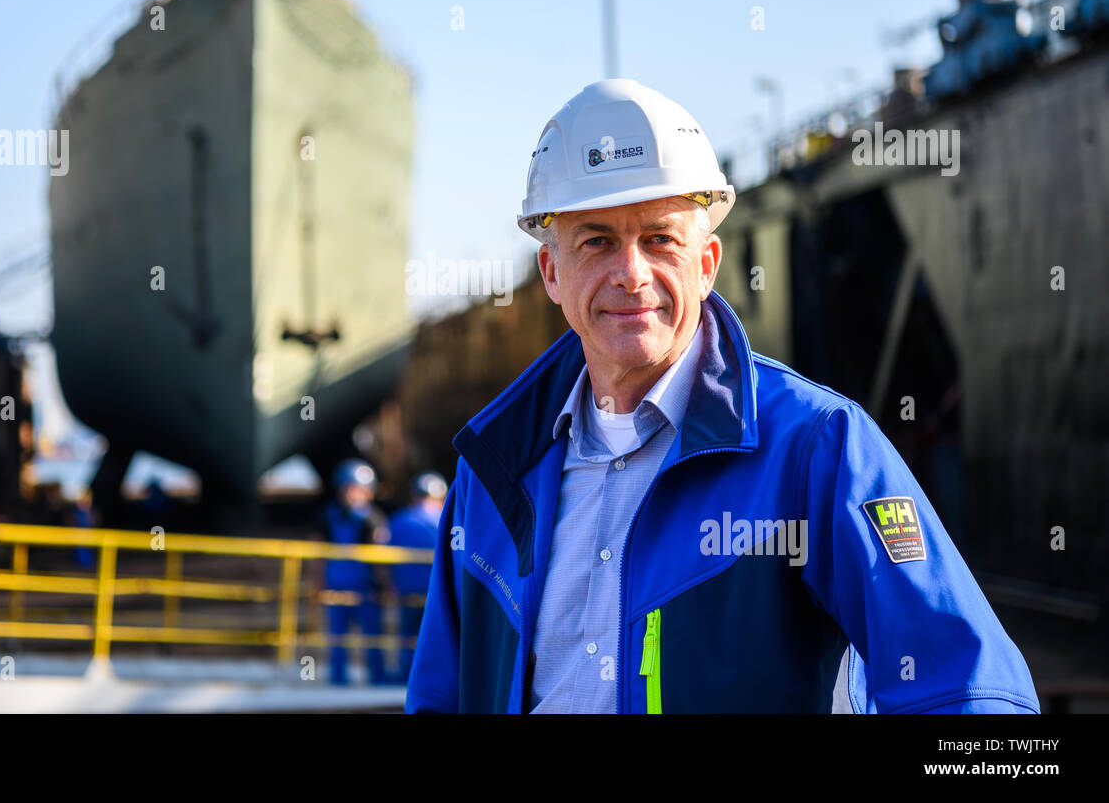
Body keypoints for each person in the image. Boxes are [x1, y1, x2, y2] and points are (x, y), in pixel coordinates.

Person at [405, 79, 1039, 713]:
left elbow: (971, 693)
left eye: (660, 239)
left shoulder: (814, 450)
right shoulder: (488, 478)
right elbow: (437, 698)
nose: (631, 272)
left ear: (706, 264)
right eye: (596, 241)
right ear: (552, 272)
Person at [316, 458, 390, 685]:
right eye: (351, 488)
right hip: (337, 585)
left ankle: (376, 677)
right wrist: (316, 584)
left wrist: (384, 585)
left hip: (364, 586)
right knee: (338, 638)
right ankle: (339, 679)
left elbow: (381, 557)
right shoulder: (328, 516)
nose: (354, 493)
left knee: (372, 637)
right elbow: (316, 554)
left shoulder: (372, 518)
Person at [387, 471, 448, 683]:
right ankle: (432, 679)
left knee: (408, 634)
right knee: (438, 634)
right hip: (440, 590)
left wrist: (390, 585)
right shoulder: (449, 517)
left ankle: (407, 676)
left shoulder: (399, 520)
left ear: (414, 495)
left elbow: (385, 556)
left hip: (406, 588)